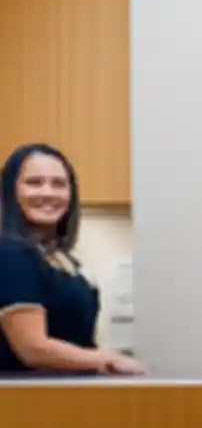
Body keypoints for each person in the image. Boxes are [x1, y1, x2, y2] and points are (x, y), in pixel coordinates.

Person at [0, 144, 145, 376]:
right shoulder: (10, 252)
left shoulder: (61, 259)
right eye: (34, 183)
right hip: (24, 401)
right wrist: (106, 359)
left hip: (67, 398)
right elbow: (32, 348)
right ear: (10, 191)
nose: (48, 192)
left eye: (59, 184)